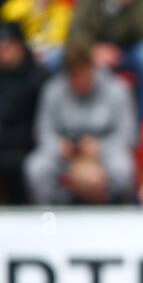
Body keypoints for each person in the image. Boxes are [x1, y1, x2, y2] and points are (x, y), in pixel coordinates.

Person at [24, 45, 136, 205]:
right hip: (65, 155)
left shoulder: (117, 89)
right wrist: (58, 146)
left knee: (123, 169)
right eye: (74, 75)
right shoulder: (52, 91)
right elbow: (43, 130)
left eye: (83, 73)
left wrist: (101, 147)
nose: (79, 80)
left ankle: (118, 215)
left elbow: (128, 133)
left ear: (92, 68)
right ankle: (49, 217)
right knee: (36, 167)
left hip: (104, 153)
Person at [0, 21, 46, 204]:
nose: (2, 53)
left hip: (27, 144)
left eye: (6, 47)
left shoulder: (37, 77)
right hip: (4, 142)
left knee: (25, 165)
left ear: (20, 46)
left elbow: (40, 120)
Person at [1, 0, 71, 69]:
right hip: (22, 61)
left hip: (53, 61)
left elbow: (62, 44)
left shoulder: (65, 11)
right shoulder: (14, 9)